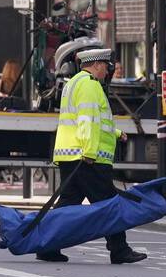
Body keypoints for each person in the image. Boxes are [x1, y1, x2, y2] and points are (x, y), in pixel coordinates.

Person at [38, 47, 147, 264]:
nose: (107, 71)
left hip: (72, 155)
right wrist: (89, 152)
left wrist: (115, 133)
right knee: (109, 204)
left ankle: (47, 246)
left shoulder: (74, 83)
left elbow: (90, 120)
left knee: (68, 206)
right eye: (106, 67)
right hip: (88, 158)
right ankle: (119, 249)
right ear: (96, 65)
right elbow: (87, 121)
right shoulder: (89, 85)